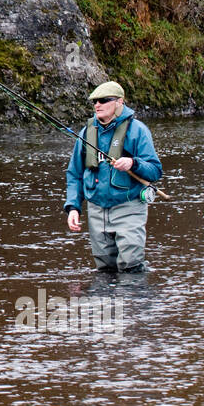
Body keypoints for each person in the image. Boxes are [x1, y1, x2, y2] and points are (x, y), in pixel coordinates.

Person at [64, 81, 163, 273]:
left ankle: (133, 301)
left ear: (119, 102)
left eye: (103, 100)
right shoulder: (86, 133)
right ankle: (106, 303)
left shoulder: (138, 131)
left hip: (129, 206)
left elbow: (155, 171)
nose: (97, 105)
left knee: (130, 266)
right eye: (94, 101)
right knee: (104, 269)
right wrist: (73, 208)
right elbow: (74, 174)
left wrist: (133, 163)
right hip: (96, 210)